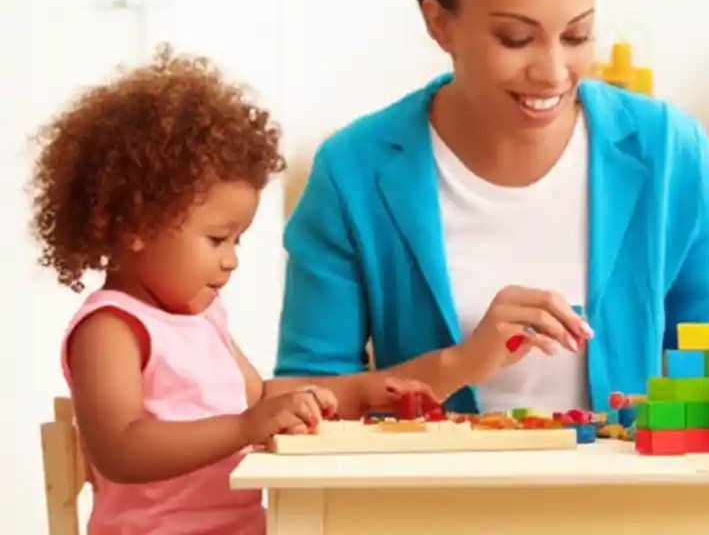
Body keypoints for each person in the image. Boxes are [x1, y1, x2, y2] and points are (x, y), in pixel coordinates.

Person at [274, 0, 709, 414]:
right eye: (515, 38)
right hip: (432, 498)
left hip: (629, 495)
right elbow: (298, 402)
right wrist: (457, 364)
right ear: (440, 23)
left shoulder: (672, 155)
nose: (553, 72)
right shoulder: (353, 174)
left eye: (577, 36)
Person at [29, 47, 431, 534]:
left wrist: (361, 392)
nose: (231, 259)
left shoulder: (203, 315)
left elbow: (262, 397)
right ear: (135, 224)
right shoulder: (112, 328)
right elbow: (121, 450)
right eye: (217, 239)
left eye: (237, 240)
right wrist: (245, 428)